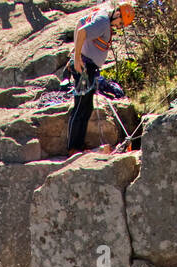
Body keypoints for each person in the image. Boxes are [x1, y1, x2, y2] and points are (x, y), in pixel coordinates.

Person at [68, 3, 135, 155]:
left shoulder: (103, 17)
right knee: (81, 107)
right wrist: (77, 58)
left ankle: (77, 146)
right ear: (117, 14)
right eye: (120, 23)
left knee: (87, 107)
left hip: (88, 67)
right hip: (84, 67)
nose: (119, 26)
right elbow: (82, 31)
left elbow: (81, 24)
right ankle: (73, 148)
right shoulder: (103, 21)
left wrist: (76, 54)